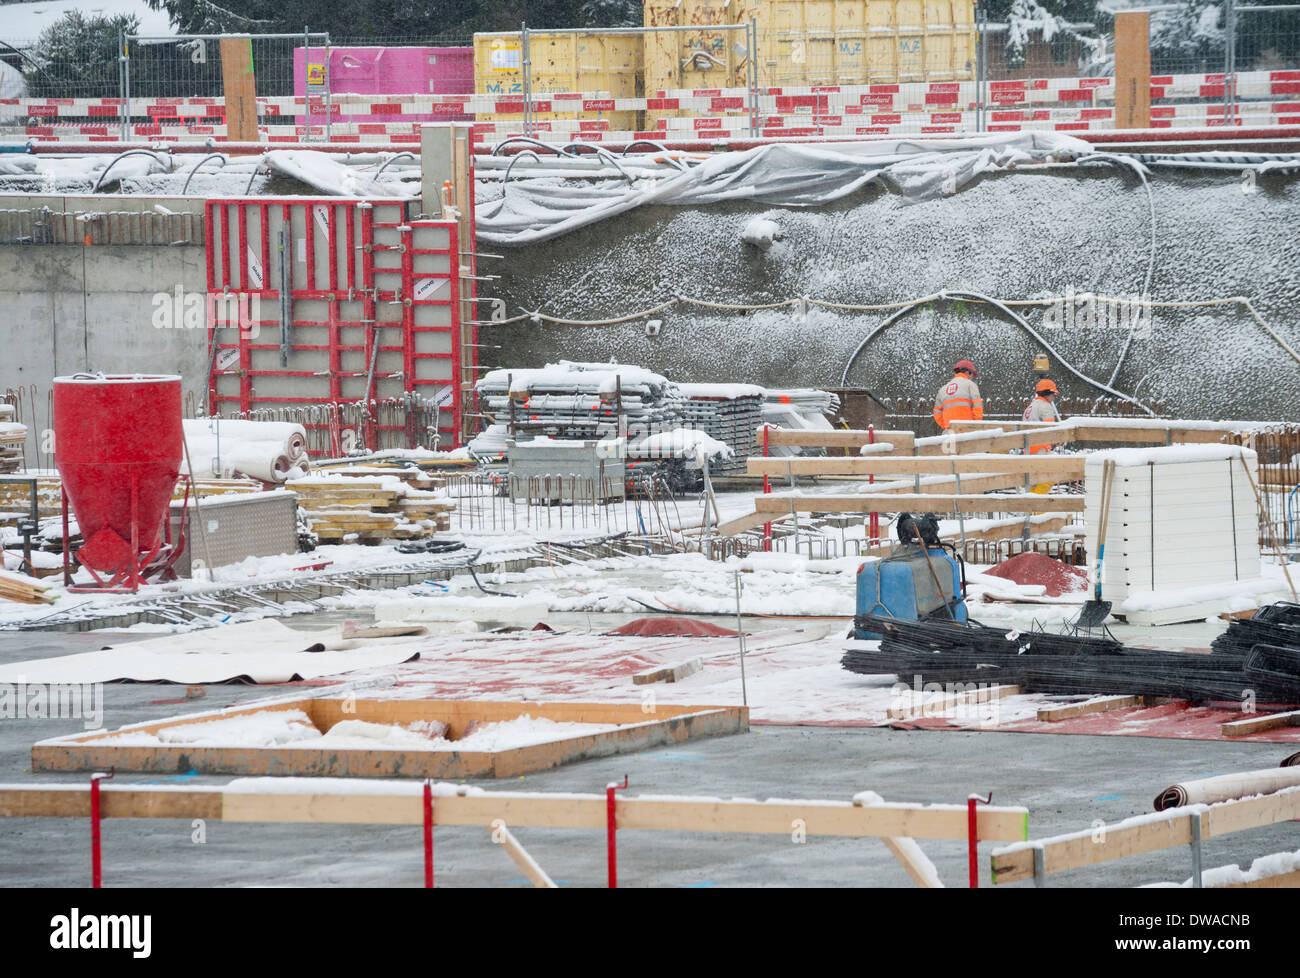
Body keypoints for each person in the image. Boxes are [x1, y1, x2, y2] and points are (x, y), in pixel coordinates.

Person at [1024, 378, 1061, 492]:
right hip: (1040, 448)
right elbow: (1049, 429)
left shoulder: (1029, 407)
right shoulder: (1045, 406)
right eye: (1053, 394)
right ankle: (1038, 507)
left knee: (1033, 480)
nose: (1053, 397)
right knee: (1051, 475)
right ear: (1047, 393)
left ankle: (1029, 505)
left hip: (1029, 449)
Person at [932, 359, 983, 431]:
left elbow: (937, 412)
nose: (972, 378)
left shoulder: (943, 389)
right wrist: (974, 425)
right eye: (972, 374)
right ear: (968, 372)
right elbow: (978, 408)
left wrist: (946, 426)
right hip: (967, 429)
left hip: (950, 430)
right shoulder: (970, 385)